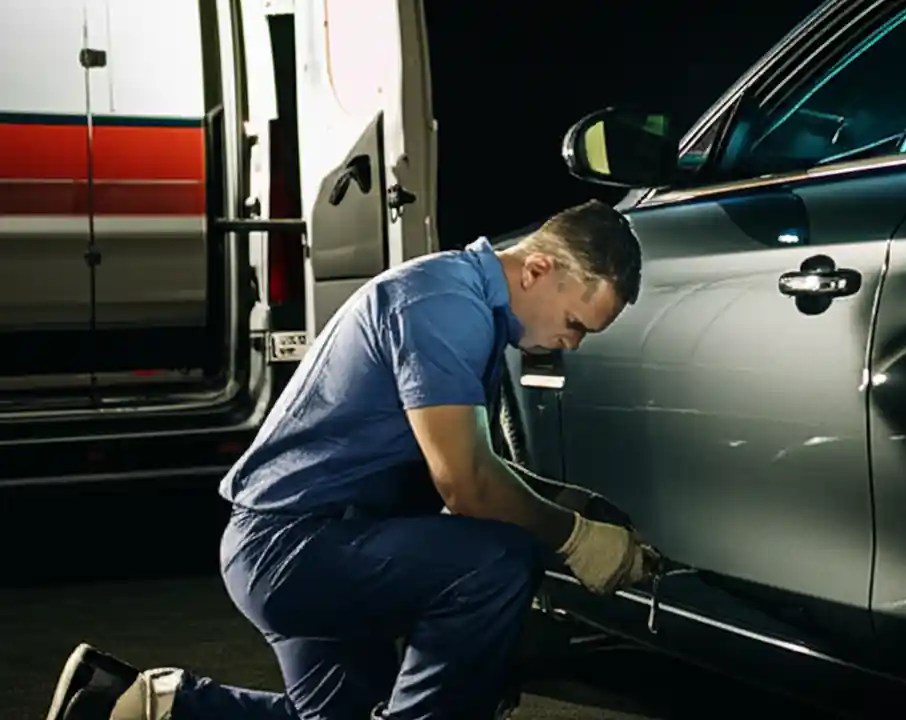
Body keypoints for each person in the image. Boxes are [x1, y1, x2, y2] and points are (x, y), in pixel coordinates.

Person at [44, 199, 654, 720]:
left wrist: (575, 507)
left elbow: (467, 463)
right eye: (575, 323)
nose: (569, 344)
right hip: (296, 549)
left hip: (305, 543)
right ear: (538, 270)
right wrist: (574, 538)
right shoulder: (447, 307)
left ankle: (135, 702)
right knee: (495, 565)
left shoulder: (465, 304)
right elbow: (465, 485)